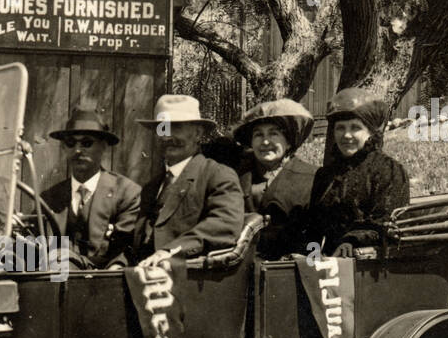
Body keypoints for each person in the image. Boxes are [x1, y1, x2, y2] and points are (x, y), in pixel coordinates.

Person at [130, 94, 244, 267]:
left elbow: (224, 225)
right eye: (162, 129)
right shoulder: (152, 187)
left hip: (190, 280)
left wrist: (170, 251)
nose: (167, 136)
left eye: (176, 127)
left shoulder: (217, 176)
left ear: (198, 133)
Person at [305, 88, 409, 257]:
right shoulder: (325, 175)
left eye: (355, 128)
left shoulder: (388, 170)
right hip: (331, 265)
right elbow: (313, 228)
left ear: (370, 132)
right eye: (340, 128)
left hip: (371, 264)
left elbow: (387, 222)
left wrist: (352, 241)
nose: (346, 135)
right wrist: (310, 258)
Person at [39, 109, 141, 268]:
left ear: (103, 146)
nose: (78, 150)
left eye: (87, 143)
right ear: (64, 149)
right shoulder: (49, 198)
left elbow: (123, 252)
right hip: (56, 281)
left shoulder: (126, 193)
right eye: (71, 143)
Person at [227, 98, 317, 259]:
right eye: (258, 135)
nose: (265, 141)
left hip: (290, 270)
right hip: (241, 268)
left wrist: (306, 256)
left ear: (288, 142)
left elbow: (317, 236)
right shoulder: (235, 178)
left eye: (273, 133)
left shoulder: (312, 178)